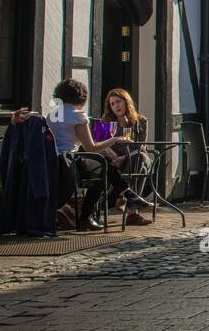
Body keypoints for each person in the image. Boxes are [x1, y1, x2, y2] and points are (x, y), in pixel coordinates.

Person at [10, 78, 132, 231]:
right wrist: (113, 139)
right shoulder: (78, 115)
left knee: (104, 165)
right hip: (68, 163)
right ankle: (86, 216)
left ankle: (127, 194)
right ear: (81, 96)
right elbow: (91, 147)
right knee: (105, 166)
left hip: (51, 161)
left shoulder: (52, 114)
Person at [102, 88, 151, 227]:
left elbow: (141, 145)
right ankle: (132, 211)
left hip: (135, 156)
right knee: (140, 170)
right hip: (114, 160)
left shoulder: (140, 121)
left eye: (118, 101)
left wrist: (124, 158)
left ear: (126, 102)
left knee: (140, 158)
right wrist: (115, 157)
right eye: (112, 104)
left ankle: (125, 199)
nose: (116, 106)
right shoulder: (106, 122)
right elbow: (101, 145)